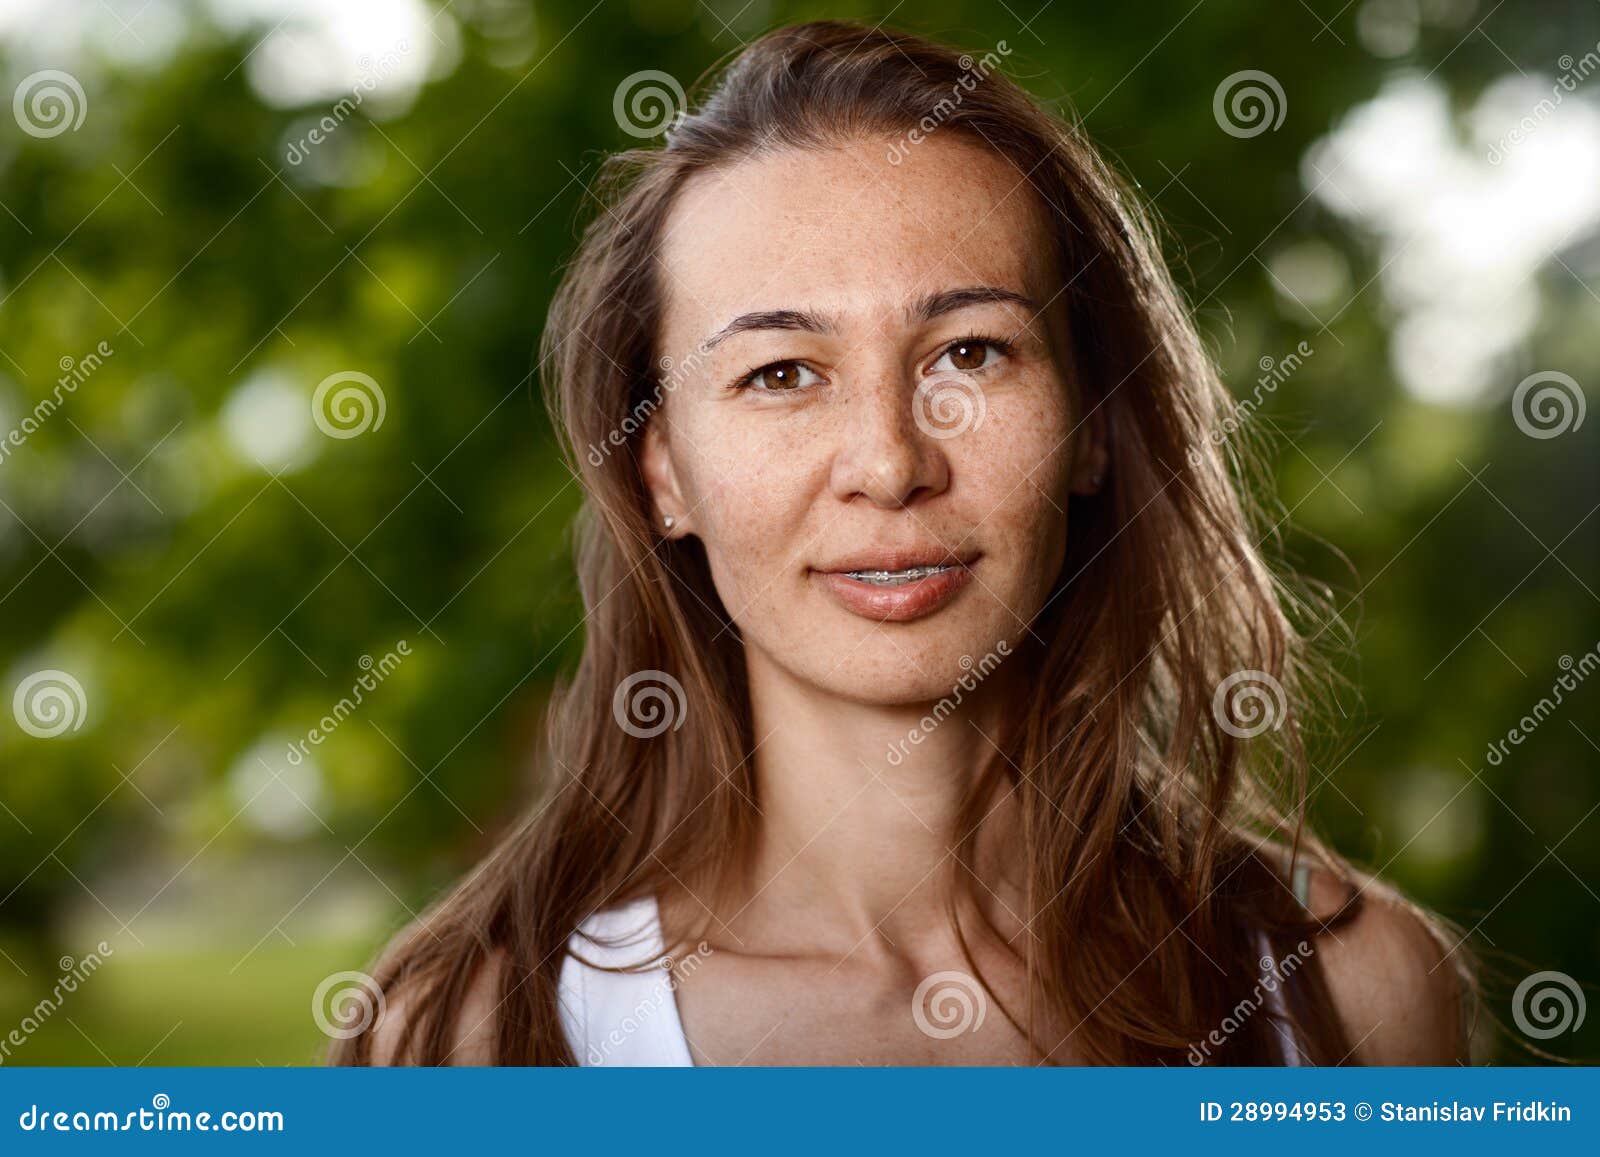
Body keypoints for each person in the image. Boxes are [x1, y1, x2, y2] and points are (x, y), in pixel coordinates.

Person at [335, 19, 1472, 1067]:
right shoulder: (474, 1037)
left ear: (1087, 424)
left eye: (969, 354)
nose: (889, 464)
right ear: (662, 469)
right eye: (781, 373)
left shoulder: (1351, 996)